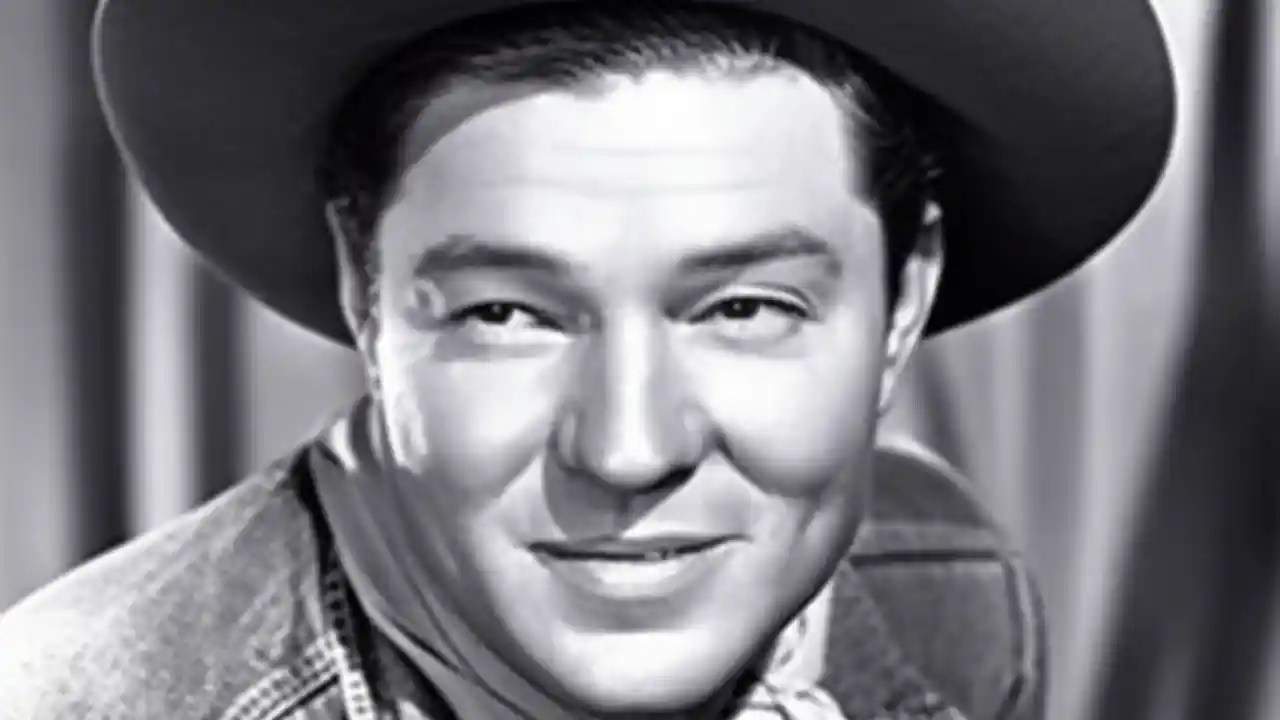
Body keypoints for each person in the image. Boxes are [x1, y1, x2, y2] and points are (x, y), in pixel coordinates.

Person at [0, 1, 1174, 718]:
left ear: (900, 301)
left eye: (744, 309)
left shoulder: (952, 596)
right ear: (366, 298)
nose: (627, 446)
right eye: (508, 314)